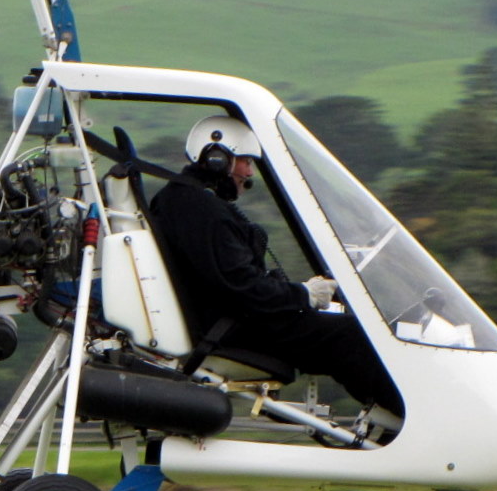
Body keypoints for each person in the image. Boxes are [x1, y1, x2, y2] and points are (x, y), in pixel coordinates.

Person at [148, 115, 402, 419]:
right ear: (216, 159)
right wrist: (303, 295)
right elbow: (243, 288)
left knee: (344, 330)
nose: (248, 172)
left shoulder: (184, 201)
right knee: (352, 336)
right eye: (244, 161)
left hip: (229, 320)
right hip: (235, 328)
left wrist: (300, 293)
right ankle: (411, 417)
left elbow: (235, 282)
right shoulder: (202, 210)